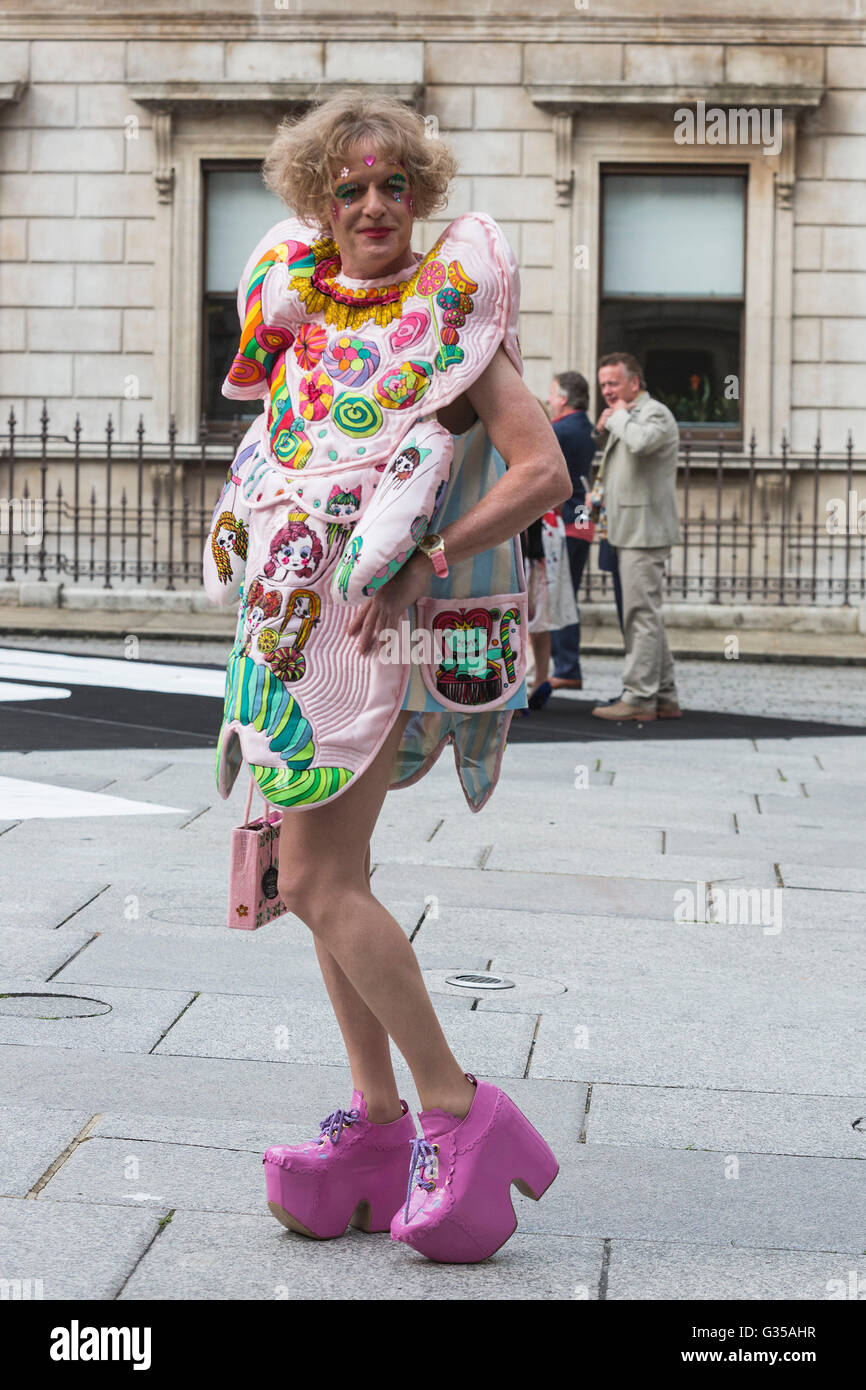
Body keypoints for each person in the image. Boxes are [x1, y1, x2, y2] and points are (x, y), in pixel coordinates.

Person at [202, 90, 570, 1264]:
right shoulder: (304, 313)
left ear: (420, 195)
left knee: (313, 878)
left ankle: (456, 1107)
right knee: (325, 878)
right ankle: (372, 1127)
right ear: (320, 201)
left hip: (362, 637)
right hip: (278, 633)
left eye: (391, 187)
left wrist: (427, 553)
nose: (370, 207)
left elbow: (542, 470)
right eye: (348, 189)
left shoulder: (449, 322)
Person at [586, 353, 682, 721]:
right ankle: (665, 695)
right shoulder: (627, 415)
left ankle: (640, 698)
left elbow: (642, 444)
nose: (607, 391)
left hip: (644, 532)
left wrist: (618, 418)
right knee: (646, 615)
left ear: (634, 382)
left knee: (640, 614)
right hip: (625, 528)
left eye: (613, 383)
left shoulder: (653, 413)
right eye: (603, 384)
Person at [546, 372, 596, 689]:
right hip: (582, 520)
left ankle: (566, 667)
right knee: (566, 594)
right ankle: (566, 664)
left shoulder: (560, 430)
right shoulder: (586, 428)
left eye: (552, 395)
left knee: (559, 596)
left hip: (565, 521)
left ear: (563, 398)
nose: (549, 401)